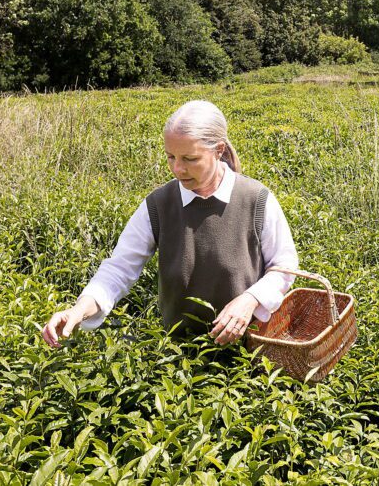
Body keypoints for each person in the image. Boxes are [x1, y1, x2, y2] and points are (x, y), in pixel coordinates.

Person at [42, 100, 298, 347]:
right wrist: (79, 309)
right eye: (171, 157)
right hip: (178, 357)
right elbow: (119, 268)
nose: (177, 169)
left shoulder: (256, 198)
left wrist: (250, 299)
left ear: (218, 150)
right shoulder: (159, 205)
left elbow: (284, 267)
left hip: (251, 352)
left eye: (190, 159)